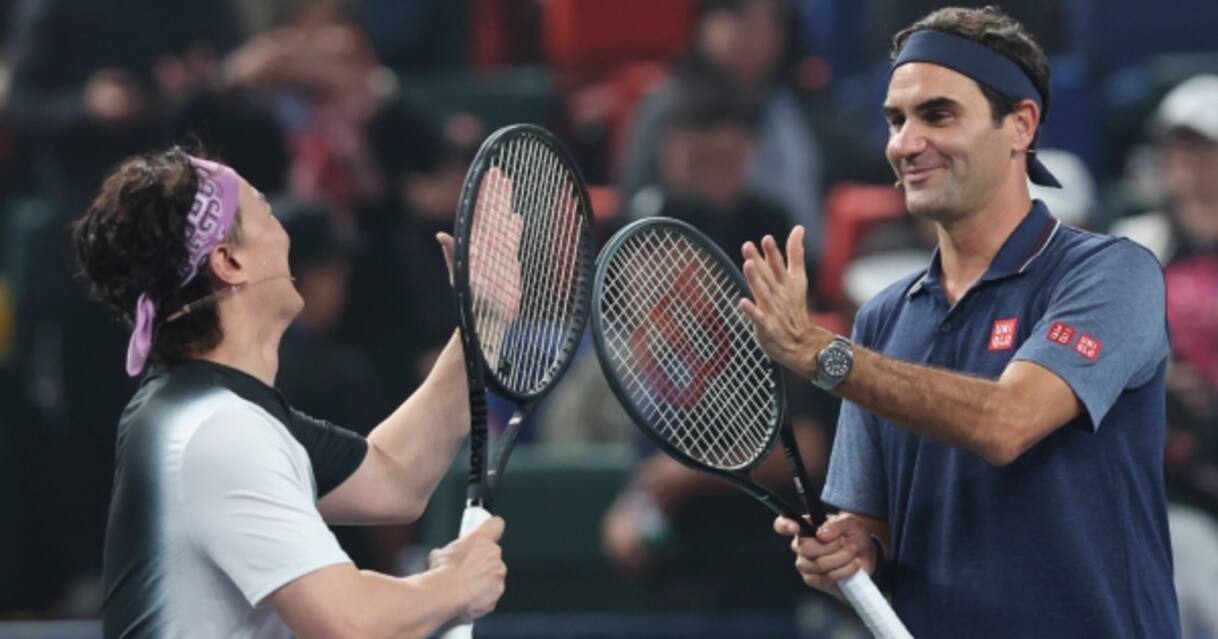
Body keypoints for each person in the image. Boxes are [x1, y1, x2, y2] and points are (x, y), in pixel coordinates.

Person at [738, 7, 1180, 637]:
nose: (905, 143)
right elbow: (873, 530)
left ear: (1020, 125)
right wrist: (851, 554)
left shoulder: (1113, 275)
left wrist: (822, 355)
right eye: (896, 119)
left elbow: (1008, 422)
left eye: (937, 114)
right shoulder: (884, 318)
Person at [72, 149, 506, 638]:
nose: (285, 234)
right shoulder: (219, 432)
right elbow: (349, 623)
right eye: (267, 211)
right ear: (229, 261)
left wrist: (483, 318)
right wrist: (455, 585)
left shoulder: (210, 414)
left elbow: (394, 477)